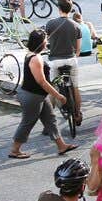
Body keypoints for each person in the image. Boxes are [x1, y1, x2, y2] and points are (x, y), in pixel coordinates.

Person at [9, 29, 76, 160]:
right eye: (45, 40)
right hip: (32, 96)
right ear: (40, 42)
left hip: (38, 95)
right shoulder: (35, 59)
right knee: (28, 122)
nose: (47, 42)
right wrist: (58, 95)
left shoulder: (31, 54)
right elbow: (41, 81)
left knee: (50, 119)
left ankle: (61, 145)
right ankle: (14, 150)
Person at [43, 0, 84, 129]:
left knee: (53, 90)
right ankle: (77, 113)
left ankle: (48, 122)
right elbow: (78, 49)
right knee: (76, 87)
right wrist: (74, 55)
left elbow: (44, 43)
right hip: (71, 60)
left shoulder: (50, 24)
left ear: (59, 9)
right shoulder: (76, 25)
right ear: (70, 9)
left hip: (55, 61)